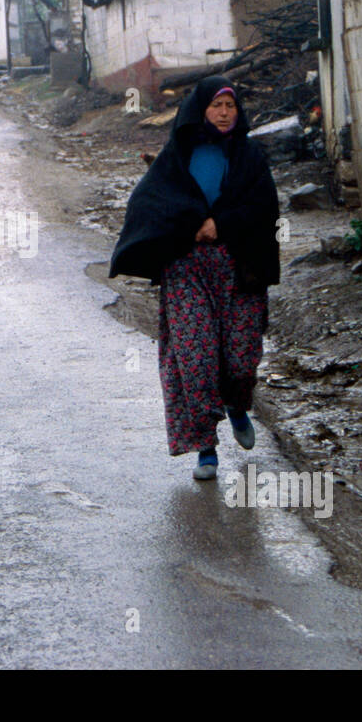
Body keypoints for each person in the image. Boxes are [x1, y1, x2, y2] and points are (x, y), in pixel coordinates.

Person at [109, 77, 280, 481]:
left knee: (239, 359)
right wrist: (193, 225)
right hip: (186, 268)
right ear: (200, 109)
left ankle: (237, 405)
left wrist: (220, 224)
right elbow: (152, 204)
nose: (224, 113)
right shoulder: (177, 155)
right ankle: (206, 447)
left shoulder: (250, 156)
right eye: (216, 106)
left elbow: (263, 209)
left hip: (239, 267)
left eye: (230, 106)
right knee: (195, 357)